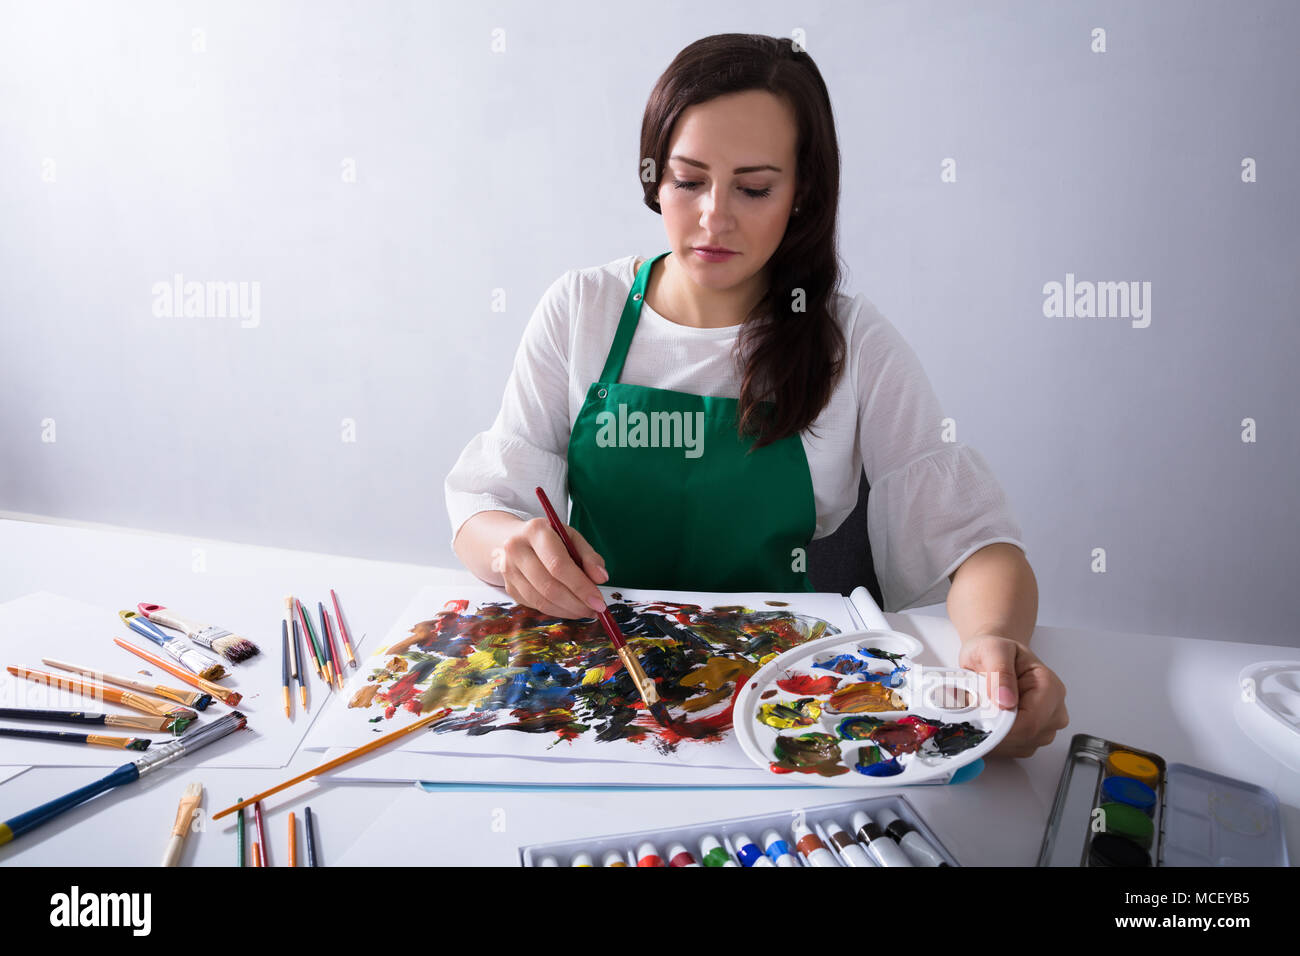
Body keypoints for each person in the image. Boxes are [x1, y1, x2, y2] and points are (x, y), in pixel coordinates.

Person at [445, 34, 1066, 759]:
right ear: (655, 177)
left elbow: (977, 543)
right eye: (688, 180)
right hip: (600, 696)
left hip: (783, 707)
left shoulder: (848, 341)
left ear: (802, 193)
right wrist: (509, 548)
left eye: (753, 188)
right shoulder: (582, 310)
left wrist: (994, 643)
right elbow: (488, 507)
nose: (714, 217)